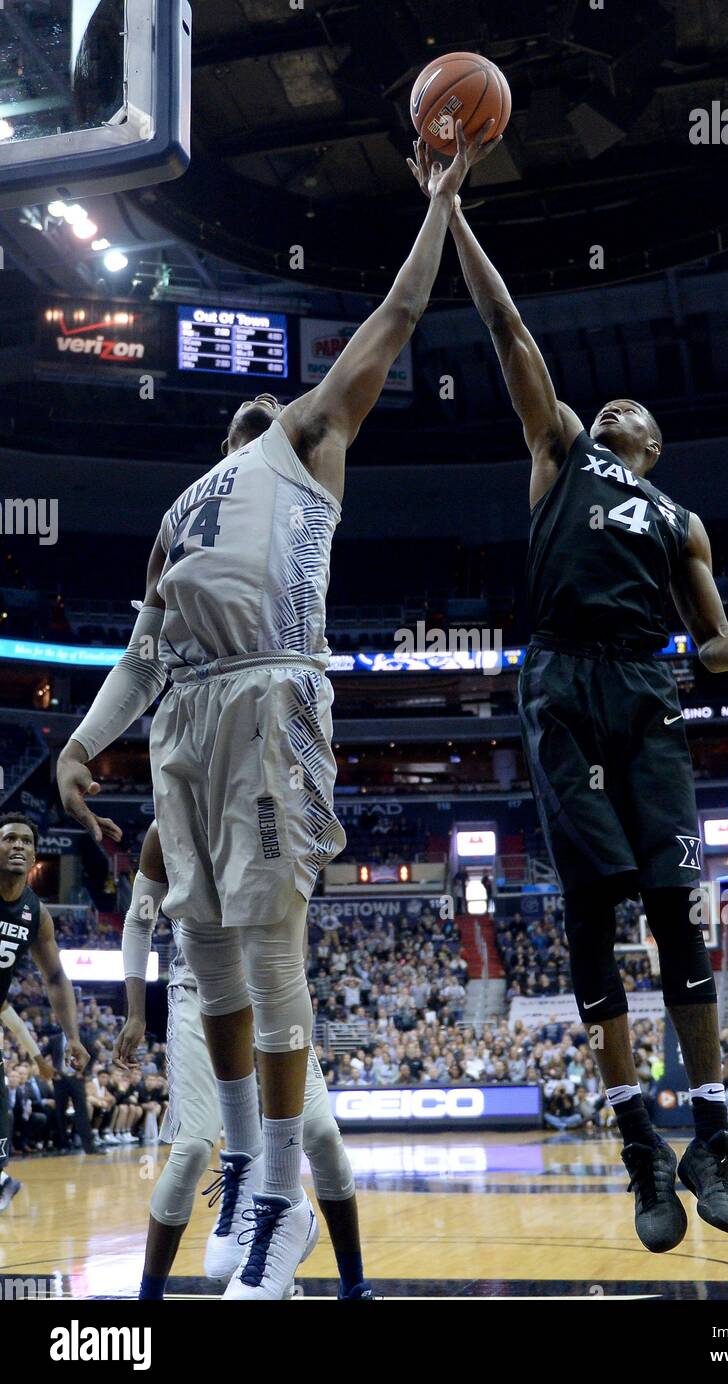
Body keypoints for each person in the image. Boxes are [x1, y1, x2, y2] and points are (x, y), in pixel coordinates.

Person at [57, 125, 498, 1298]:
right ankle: (257, 1181)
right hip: (184, 717)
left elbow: (393, 321)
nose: (265, 404)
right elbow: (142, 649)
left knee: (266, 940)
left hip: (271, 688)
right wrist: (83, 741)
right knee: (206, 939)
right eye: (250, 403)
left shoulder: (304, 440)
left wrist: (440, 207)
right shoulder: (182, 506)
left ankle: (277, 1200)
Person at [406, 144, 728, 1254]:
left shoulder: (679, 519)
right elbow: (510, 332)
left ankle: (712, 1137)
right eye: (604, 407)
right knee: (593, 920)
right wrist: (452, 209)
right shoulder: (555, 447)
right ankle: (640, 1149)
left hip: (647, 690)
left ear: (653, 446)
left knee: (674, 910)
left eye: (630, 413)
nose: (612, 408)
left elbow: (712, 647)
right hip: (560, 680)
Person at [115, 821, 372, 1300]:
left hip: (269, 990)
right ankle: (150, 1294)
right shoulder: (163, 829)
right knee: (192, 1149)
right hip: (196, 994)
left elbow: (298, 916)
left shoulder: (271, 813)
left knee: (320, 1134)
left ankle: (354, 1283)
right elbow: (139, 919)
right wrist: (135, 1011)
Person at [0, 815, 91, 1210]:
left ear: (35, 853)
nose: (17, 845)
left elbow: (55, 977)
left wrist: (72, 1036)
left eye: (25, 841)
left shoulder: (35, 914)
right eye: (8, 839)